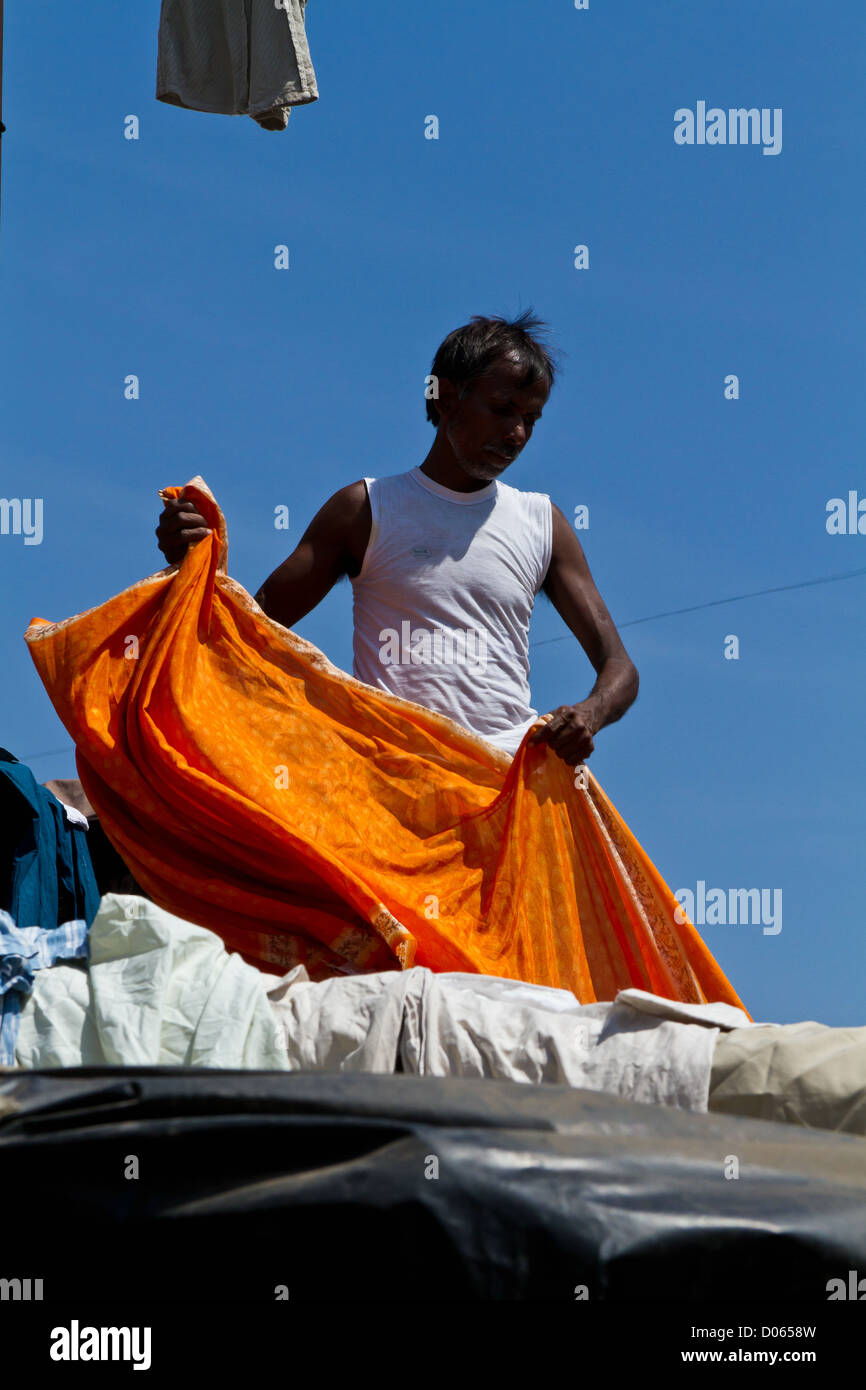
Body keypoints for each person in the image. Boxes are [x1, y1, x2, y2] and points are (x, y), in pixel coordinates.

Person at [156, 311, 639, 766]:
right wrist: (193, 562)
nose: (516, 433)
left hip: (507, 785)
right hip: (390, 781)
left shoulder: (542, 523)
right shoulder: (366, 510)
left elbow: (620, 668)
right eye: (502, 409)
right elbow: (247, 633)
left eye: (531, 419)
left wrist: (590, 714)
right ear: (446, 396)